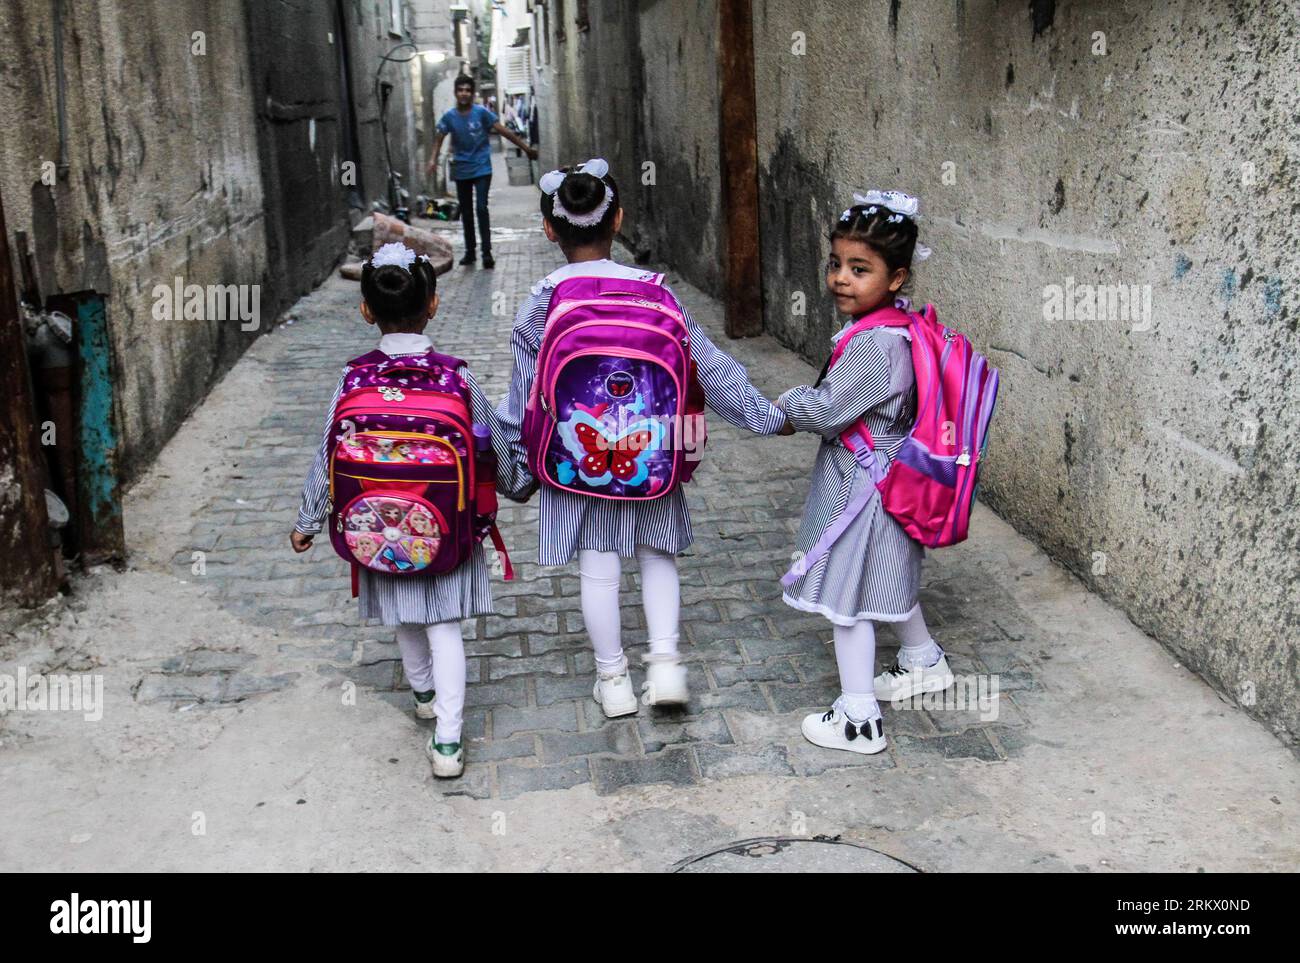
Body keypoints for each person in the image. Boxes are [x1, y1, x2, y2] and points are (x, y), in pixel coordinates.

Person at [494, 158, 792, 718]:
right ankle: (665, 666)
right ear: (620, 219)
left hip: (572, 461)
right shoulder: (658, 294)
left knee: (599, 564)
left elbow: (518, 400)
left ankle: (614, 683)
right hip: (653, 454)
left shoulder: (540, 303)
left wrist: (517, 468)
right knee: (658, 555)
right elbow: (708, 367)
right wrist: (764, 414)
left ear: (549, 229)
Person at [291, 242, 513, 779]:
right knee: (445, 627)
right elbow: (492, 444)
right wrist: (519, 482)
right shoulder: (458, 378)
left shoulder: (352, 381)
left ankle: (422, 693)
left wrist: (307, 520)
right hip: (449, 532)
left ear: (367, 310)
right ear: (433, 304)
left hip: (380, 532)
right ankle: (449, 742)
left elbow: (327, 454)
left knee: (403, 614)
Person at [775, 191, 953, 757]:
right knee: (884, 574)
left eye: (860, 269)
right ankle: (925, 662)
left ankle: (858, 718)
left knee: (846, 598)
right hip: (886, 480)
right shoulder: (896, 328)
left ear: (897, 277)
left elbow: (828, 411)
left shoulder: (876, 343)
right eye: (836, 265)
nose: (841, 279)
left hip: (863, 488)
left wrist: (788, 404)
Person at [427, 75, 538, 270]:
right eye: (460, 90)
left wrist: (525, 148)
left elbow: (503, 130)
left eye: (467, 90)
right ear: (456, 93)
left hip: (482, 168)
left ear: (472, 93)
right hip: (461, 169)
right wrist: (432, 159)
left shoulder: (481, 113)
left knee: (481, 208)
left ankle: (486, 253)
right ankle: (470, 253)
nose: (464, 93)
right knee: (467, 213)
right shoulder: (450, 117)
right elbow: (439, 138)